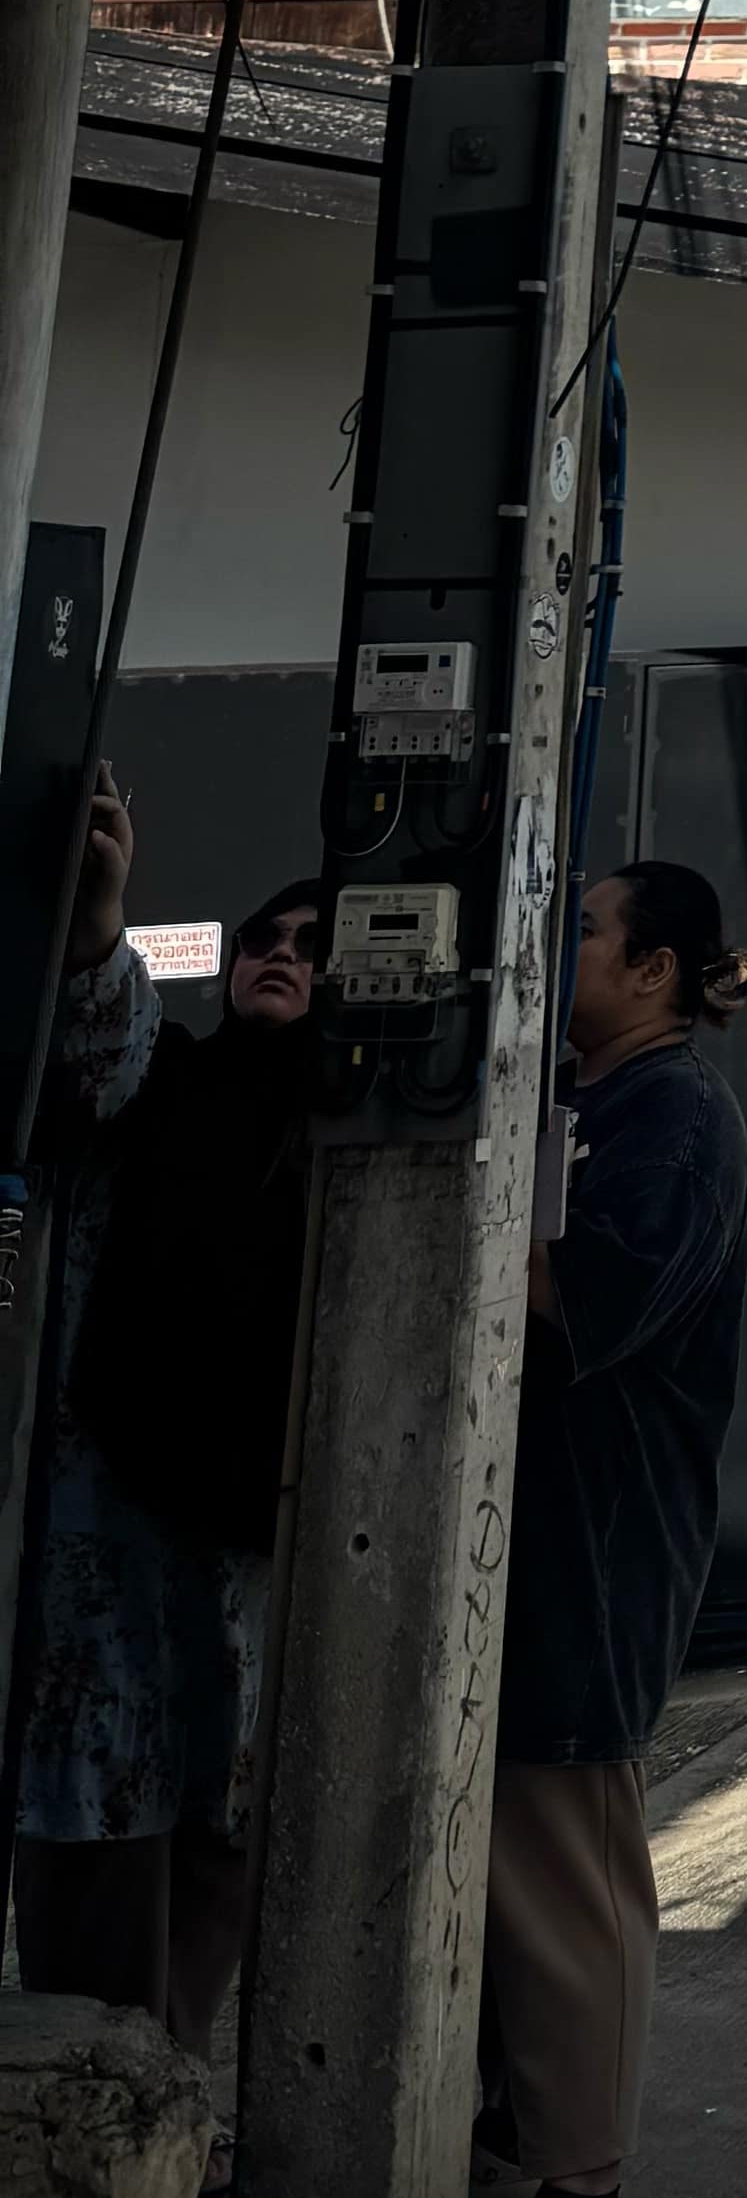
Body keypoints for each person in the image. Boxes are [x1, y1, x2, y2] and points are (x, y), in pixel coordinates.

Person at [462, 858, 747, 2198]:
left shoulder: (674, 1117)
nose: (553, 946)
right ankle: (516, 2153)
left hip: (598, 1543)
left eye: (581, 929)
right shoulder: (598, 1097)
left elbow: (584, 1295)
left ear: (653, 971)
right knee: (512, 1863)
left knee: (563, 1870)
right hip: (535, 1538)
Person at [12, 776, 321, 2052]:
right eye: (264, 939)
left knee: (221, 1814)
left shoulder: (368, 1131)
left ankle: (170, 2095)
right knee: (94, 1804)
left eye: (313, 946)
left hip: (248, 1539)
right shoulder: (169, 1080)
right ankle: (92, 2089)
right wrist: (103, 918)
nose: (281, 956)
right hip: (109, 1531)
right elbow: (104, 1046)